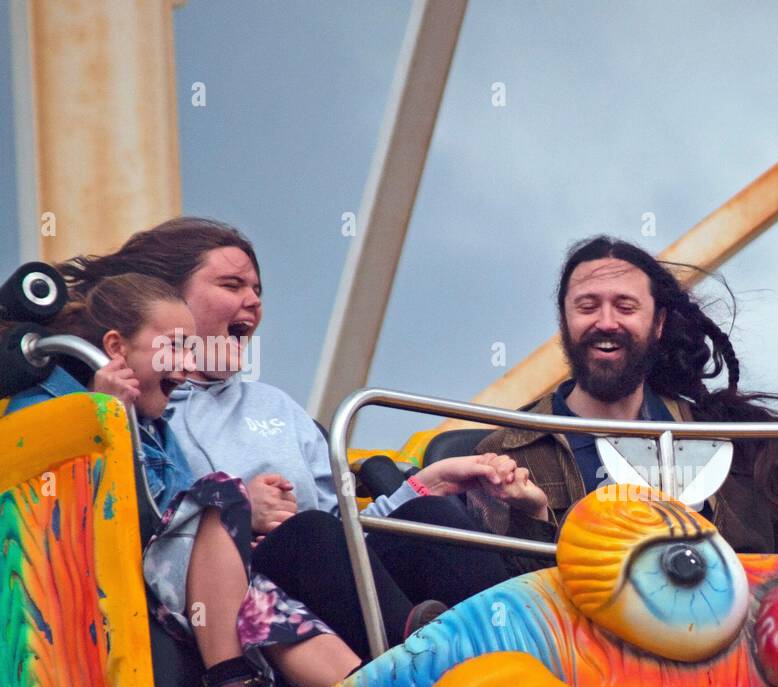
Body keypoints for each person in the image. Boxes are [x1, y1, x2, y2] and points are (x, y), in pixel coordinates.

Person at [58, 218, 526, 655]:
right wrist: (237, 512)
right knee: (308, 533)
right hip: (233, 604)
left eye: (258, 290)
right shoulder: (140, 407)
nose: (254, 301)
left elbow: (346, 531)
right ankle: (422, 663)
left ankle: (515, 651)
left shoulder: (277, 407)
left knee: (430, 516)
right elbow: (131, 521)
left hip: (326, 577)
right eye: (232, 285)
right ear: (171, 298)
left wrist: (429, 483)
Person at [4, 274, 358, 687]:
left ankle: (362, 685)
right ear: (116, 348)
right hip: (89, 578)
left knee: (261, 597)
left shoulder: (159, 433)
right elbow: (56, 527)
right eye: (174, 346)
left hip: (168, 578)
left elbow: (177, 518)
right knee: (223, 494)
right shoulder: (43, 413)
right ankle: (231, 679)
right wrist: (102, 420)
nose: (187, 363)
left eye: (191, 349)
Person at [474, 235, 778, 570]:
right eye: (588, 306)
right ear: (564, 321)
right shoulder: (508, 455)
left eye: (625, 307)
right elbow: (501, 597)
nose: (606, 322)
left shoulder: (728, 441)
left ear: (657, 324)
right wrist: (534, 517)